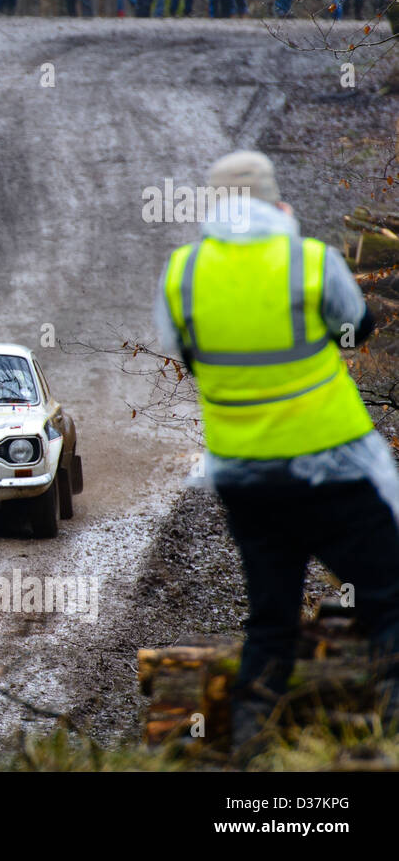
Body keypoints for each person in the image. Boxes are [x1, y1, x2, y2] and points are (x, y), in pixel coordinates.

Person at [155, 150, 399, 755]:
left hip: (244, 475)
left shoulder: (183, 273)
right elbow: (358, 328)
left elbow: (186, 356)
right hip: (333, 465)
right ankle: (391, 734)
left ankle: (243, 746)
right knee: (389, 597)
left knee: (271, 617)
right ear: (275, 201)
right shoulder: (309, 259)